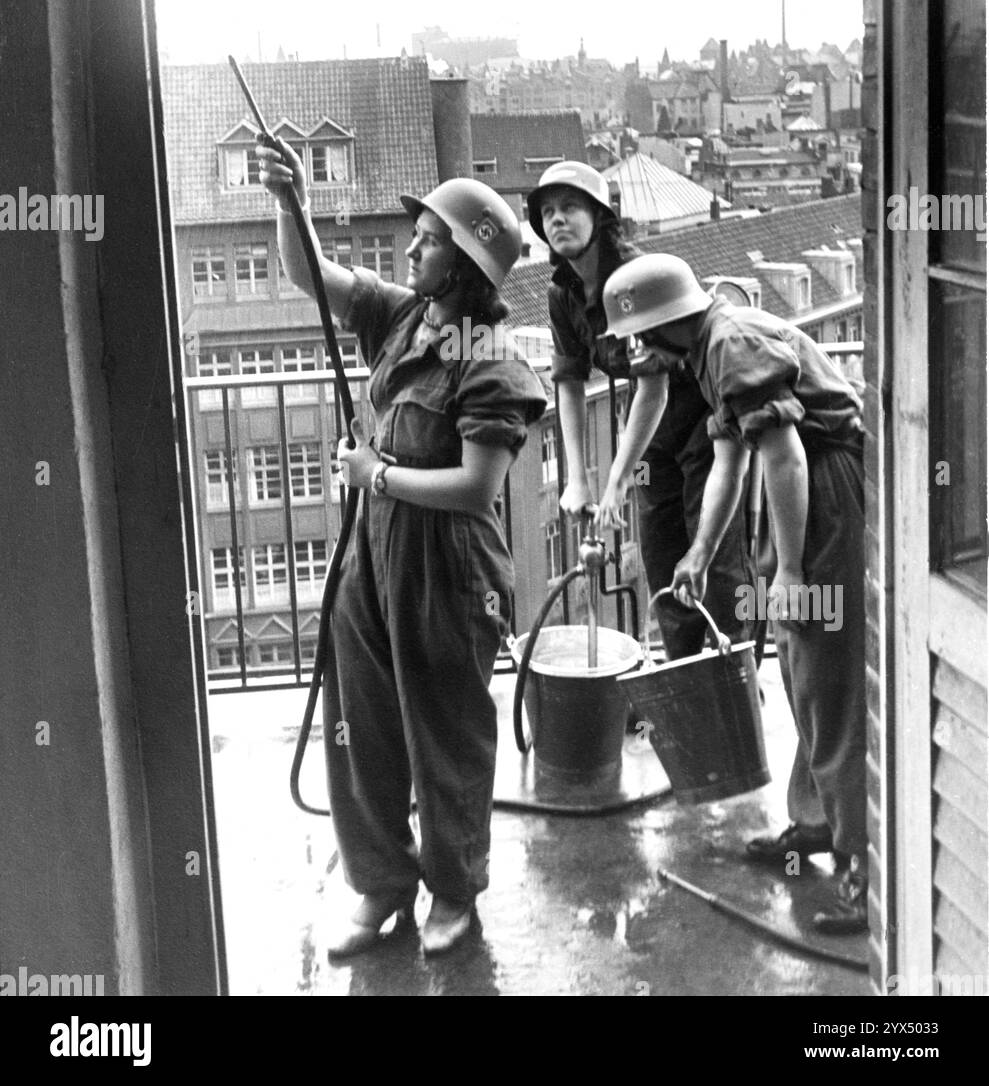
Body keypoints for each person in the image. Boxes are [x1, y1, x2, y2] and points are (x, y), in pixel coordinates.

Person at [261, 145, 547, 957]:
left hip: (446, 567)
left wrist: (375, 475)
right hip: (373, 557)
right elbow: (313, 277)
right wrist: (293, 202)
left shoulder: (493, 363)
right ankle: (381, 885)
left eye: (426, 239)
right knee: (361, 723)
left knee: (445, 732)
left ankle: (453, 891)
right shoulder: (401, 318)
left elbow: (475, 488)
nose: (409, 248)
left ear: (462, 266)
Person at [602, 253, 868, 933]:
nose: (638, 355)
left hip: (821, 495)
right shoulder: (709, 350)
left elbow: (784, 455)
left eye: (638, 339)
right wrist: (697, 555)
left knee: (828, 677)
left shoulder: (729, 344)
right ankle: (814, 822)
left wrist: (790, 573)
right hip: (801, 502)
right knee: (801, 670)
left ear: (663, 324)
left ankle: (861, 870)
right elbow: (729, 460)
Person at [526, 162, 754, 657]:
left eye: (569, 208)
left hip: (701, 419)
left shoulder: (631, 278)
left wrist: (617, 479)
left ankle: (735, 683)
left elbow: (654, 386)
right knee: (660, 555)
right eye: (547, 212)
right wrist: (578, 478)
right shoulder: (561, 292)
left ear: (600, 217)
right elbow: (568, 382)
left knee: (715, 558)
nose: (556, 220)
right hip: (651, 436)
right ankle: (683, 680)